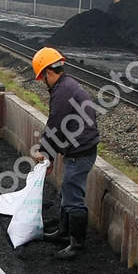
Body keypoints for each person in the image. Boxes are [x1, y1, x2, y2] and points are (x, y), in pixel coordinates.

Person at [29, 46, 99, 259]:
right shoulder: (67, 86)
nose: (43, 82)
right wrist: (49, 156)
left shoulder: (62, 92)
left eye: (42, 78)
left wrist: (44, 151)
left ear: (49, 72)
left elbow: (55, 125)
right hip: (78, 148)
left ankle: (77, 244)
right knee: (67, 191)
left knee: (72, 196)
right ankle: (64, 232)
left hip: (81, 151)